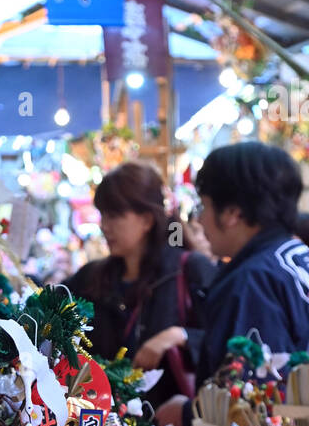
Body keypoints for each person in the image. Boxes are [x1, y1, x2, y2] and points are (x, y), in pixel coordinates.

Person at [155, 143, 309, 426]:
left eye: (204, 206)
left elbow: (254, 395)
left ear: (232, 214)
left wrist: (187, 415)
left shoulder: (254, 279)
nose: (199, 220)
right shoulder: (296, 255)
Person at [65, 161, 216, 406]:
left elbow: (227, 341)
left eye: (114, 216)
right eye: (103, 215)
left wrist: (180, 335)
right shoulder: (91, 277)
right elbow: (46, 305)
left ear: (147, 220)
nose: (104, 225)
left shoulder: (190, 270)